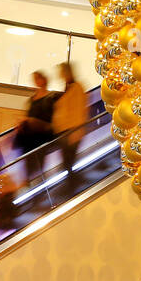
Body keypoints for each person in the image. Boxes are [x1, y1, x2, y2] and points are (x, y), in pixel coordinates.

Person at [52, 62, 90, 192]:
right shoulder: (69, 88)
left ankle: (72, 187)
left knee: (68, 162)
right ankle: (71, 186)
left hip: (71, 131)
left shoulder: (76, 88)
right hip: (65, 132)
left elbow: (79, 111)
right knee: (67, 163)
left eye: (62, 72)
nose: (60, 74)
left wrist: (76, 131)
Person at [15, 70, 57, 186]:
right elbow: (28, 115)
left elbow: (48, 119)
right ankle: (29, 183)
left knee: (38, 162)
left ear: (43, 80)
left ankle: (37, 185)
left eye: (38, 78)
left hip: (41, 136)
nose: (36, 81)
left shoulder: (50, 98)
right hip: (29, 137)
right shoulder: (32, 99)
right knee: (28, 161)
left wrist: (29, 120)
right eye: (35, 79)